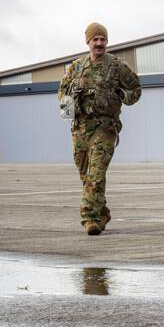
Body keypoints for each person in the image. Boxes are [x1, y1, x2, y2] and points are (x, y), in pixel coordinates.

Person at [58, 23, 142, 236]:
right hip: (80, 129)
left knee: (96, 175)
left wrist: (122, 96)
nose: (99, 43)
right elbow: (62, 92)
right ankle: (102, 212)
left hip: (105, 128)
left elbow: (136, 89)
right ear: (88, 42)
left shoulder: (116, 66)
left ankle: (90, 219)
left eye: (102, 39)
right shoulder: (76, 67)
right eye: (95, 40)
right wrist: (68, 105)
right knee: (86, 176)